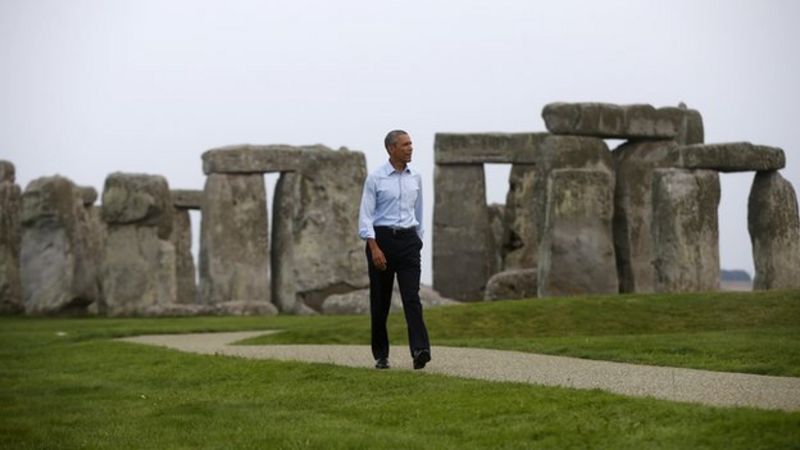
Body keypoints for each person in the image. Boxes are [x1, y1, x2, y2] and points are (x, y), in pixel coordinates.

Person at [358, 129, 431, 370]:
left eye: (411, 143)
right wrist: (374, 247)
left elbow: (418, 211)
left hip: (409, 241)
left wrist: (418, 241)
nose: (411, 148)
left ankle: (420, 350)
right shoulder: (376, 178)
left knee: (412, 297)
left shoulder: (416, 177)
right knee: (381, 301)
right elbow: (366, 217)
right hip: (382, 241)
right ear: (391, 149)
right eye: (405, 144)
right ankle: (381, 354)